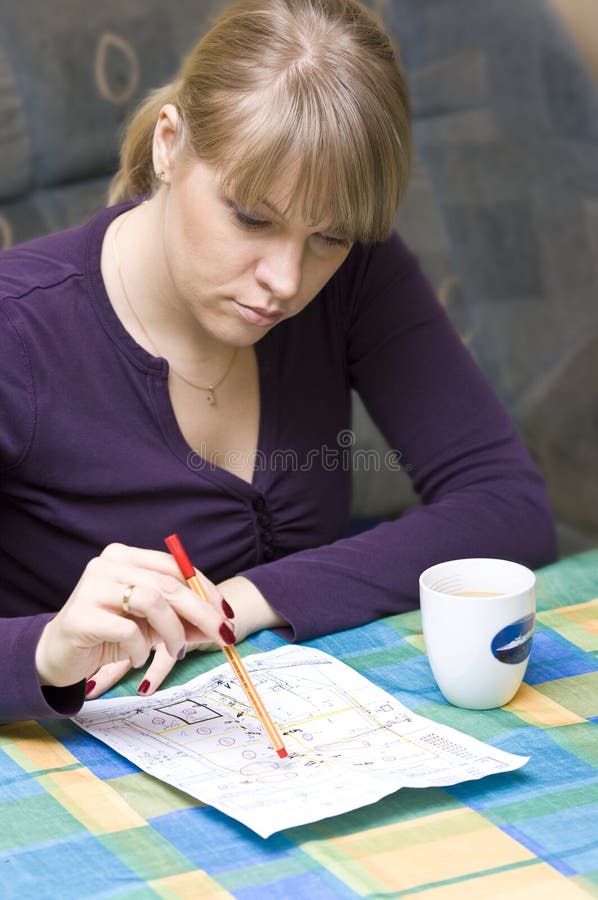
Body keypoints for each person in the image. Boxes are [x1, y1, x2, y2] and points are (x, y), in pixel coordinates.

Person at [0, 0, 556, 724]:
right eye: (252, 219)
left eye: (327, 238)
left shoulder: (356, 269)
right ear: (170, 146)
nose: (287, 281)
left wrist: (240, 602)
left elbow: (508, 506)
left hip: (302, 744)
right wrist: (46, 650)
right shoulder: (17, 331)